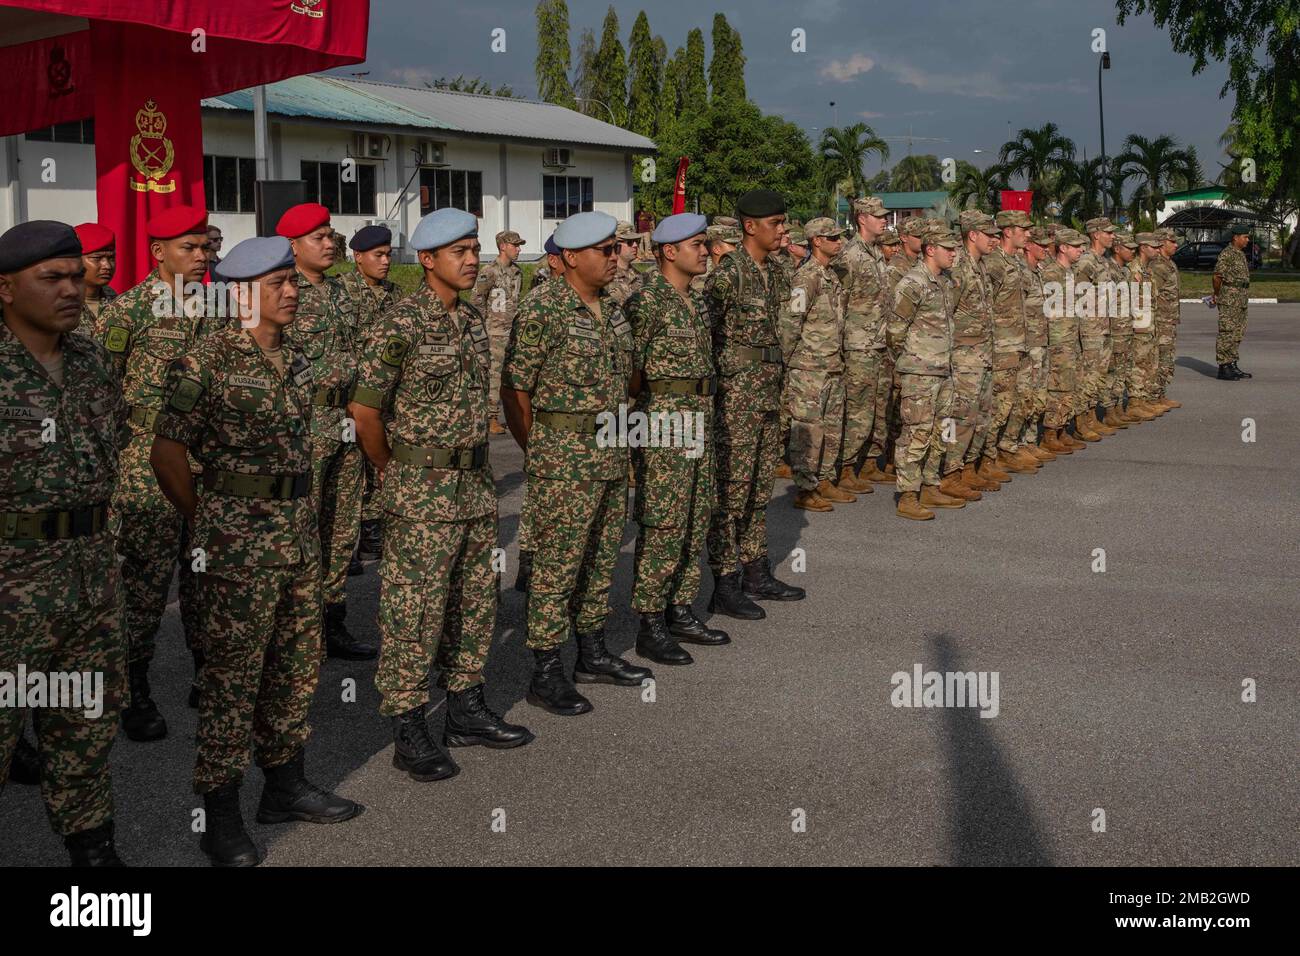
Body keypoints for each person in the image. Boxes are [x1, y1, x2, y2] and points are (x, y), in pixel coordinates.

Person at [151, 235, 363, 866]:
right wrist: (211, 520)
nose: (292, 292)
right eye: (278, 284)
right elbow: (167, 453)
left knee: (297, 667)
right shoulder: (207, 360)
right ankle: (219, 811)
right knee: (232, 679)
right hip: (236, 542)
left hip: (298, 534)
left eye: (292, 282)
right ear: (242, 293)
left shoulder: (296, 355)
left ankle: (285, 785)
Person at [351, 208, 533, 782]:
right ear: (426, 260)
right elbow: (364, 411)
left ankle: (465, 707)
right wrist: (394, 469)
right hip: (421, 491)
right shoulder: (399, 322)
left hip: (476, 489)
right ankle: (409, 726)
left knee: (474, 605)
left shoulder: (475, 320)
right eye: (459, 251)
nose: (472, 259)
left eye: (474, 248)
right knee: (415, 610)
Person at [0, 220, 129, 865]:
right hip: (10, 589)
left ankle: (93, 863)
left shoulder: (95, 362)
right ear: (5, 288)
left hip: (89, 579)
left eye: (77, 276)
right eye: (51, 278)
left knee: (86, 726)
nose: (72, 288)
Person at [500, 211, 652, 716]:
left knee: (599, 560)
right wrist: (538, 449)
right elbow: (515, 388)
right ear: (569, 258)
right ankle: (546, 670)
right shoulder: (543, 307)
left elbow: (626, 378)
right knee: (555, 569)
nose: (615, 258)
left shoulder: (611, 308)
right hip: (563, 461)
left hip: (610, 455)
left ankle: (592, 652)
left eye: (615, 249)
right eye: (604, 251)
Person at [96, 205, 214, 740]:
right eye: (189, 248)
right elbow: (101, 394)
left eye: (205, 247)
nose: (201, 257)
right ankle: (134, 687)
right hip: (144, 463)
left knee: (206, 576)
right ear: (157, 252)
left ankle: (206, 673)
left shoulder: (217, 308)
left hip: (205, 460)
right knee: (144, 585)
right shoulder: (127, 314)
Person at [625, 213, 730, 665]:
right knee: (663, 521)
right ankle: (649, 619)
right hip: (664, 421)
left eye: (705, 244)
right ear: (669, 251)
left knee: (693, 515)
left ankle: (680, 607)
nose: (705, 251)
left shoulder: (697, 300)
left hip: (699, 417)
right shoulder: (646, 301)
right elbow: (630, 373)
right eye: (697, 245)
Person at [277, 203, 374, 660]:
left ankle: (332, 621)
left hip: (347, 421)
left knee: (341, 525)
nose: (329, 244)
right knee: (303, 525)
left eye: (331, 236)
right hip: (306, 423)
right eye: (318, 238)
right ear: (293, 247)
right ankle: (296, 627)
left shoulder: (342, 292)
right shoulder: (282, 292)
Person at [704, 189, 805, 620]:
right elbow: (705, 336)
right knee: (731, 490)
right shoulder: (729, 275)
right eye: (776, 223)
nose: (783, 230)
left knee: (759, 487)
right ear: (751, 227)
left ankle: (755, 570)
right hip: (736, 398)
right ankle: (724, 582)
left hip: (768, 393)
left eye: (784, 222)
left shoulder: (778, 273)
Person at [338, 224, 401, 564]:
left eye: (389, 255)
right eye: (378, 255)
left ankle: (374, 528)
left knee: (381, 460)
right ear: (358, 257)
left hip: (385, 398)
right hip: (351, 395)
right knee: (350, 469)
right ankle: (347, 540)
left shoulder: (394, 294)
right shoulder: (342, 292)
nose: (386, 261)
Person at [887, 222, 958, 520]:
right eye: (948, 249)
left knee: (942, 431)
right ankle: (908, 494)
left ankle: (930, 484)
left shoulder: (945, 281)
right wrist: (912, 362)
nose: (954, 254)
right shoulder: (912, 283)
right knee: (916, 433)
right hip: (920, 372)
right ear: (931, 250)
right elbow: (894, 331)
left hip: (944, 369)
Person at [786, 218, 854, 511]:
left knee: (831, 428)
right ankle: (804, 487)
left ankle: (825, 480)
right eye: (833, 238)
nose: (839, 242)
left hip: (832, 364)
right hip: (809, 368)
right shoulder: (806, 278)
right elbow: (791, 323)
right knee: (808, 429)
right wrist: (790, 364)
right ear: (816, 241)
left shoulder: (831, 276)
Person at [934, 211, 999, 507]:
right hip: (963, 358)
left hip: (982, 355)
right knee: (960, 417)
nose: (995, 239)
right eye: (990, 234)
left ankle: (968, 467)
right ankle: (949, 473)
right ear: (972, 235)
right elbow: (948, 313)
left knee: (979, 416)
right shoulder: (959, 268)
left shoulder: (979, 266)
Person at [834, 196, 890, 491]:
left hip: (877, 343)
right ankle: (844, 468)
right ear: (861, 219)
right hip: (857, 345)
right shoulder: (850, 254)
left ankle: (869, 462)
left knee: (877, 407)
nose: (883, 220)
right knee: (857, 409)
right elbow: (839, 302)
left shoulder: (876, 253)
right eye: (877, 216)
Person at [984, 210, 1042, 472]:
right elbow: (985, 306)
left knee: (1021, 399)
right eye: (1024, 230)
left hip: (1021, 343)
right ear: (1008, 231)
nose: (1028, 234)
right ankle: (987, 456)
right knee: (1000, 404)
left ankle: (1008, 447)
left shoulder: (1017, 263)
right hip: (1001, 346)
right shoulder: (993, 264)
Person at [470, 230, 526, 435]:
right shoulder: (489, 272)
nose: (519, 249)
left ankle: (512, 415)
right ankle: (491, 417)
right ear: (503, 246)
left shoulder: (517, 272)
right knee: (494, 377)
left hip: (512, 332)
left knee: (511, 376)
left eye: (519, 246)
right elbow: (477, 301)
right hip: (494, 333)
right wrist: (482, 331)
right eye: (515, 245)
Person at [1040, 228, 1089, 452]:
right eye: (1076, 246)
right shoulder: (1051, 274)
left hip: (1071, 337)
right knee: (1058, 386)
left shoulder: (1071, 273)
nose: (1081, 250)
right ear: (1063, 248)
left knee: (1070, 384)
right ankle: (1050, 432)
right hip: (1058, 340)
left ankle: (1062, 427)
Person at [1073, 218, 1119, 438]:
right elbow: (1077, 296)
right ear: (1096, 234)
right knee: (1088, 376)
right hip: (1090, 327)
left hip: (1104, 325)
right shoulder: (1086, 262)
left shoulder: (1103, 261)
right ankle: (1081, 422)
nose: (1113, 236)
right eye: (1108, 233)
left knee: (1098, 375)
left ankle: (1091, 417)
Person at [1212, 224, 1252, 381]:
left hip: (1241, 298)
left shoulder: (1240, 254)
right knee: (1227, 332)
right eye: (1245, 237)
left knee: (1238, 332)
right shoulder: (1227, 254)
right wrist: (1216, 293)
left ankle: (1232, 364)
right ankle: (1223, 367)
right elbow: (1217, 276)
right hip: (1229, 298)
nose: (1247, 240)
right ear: (1236, 237)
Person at [1152, 227, 1184, 407]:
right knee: (1160, 359)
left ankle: (1160, 394)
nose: (1176, 244)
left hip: (1169, 320)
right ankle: (1153, 396)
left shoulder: (1169, 263)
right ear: (1162, 242)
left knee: (1167, 358)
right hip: (1159, 321)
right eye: (1172, 241)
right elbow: (1150, 295)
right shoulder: (1157, 266)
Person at [74, 223, 117, 335]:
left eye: (111, 258)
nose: (107, 265)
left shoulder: (117, 300)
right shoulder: (62, 301)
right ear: (76, 260)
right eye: (97, 258)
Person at [606, 221, 646, 307]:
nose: (635, 245)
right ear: (616, 245)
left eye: (636, 241)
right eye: (629, 242)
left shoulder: (639, 275)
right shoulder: (605, 277)